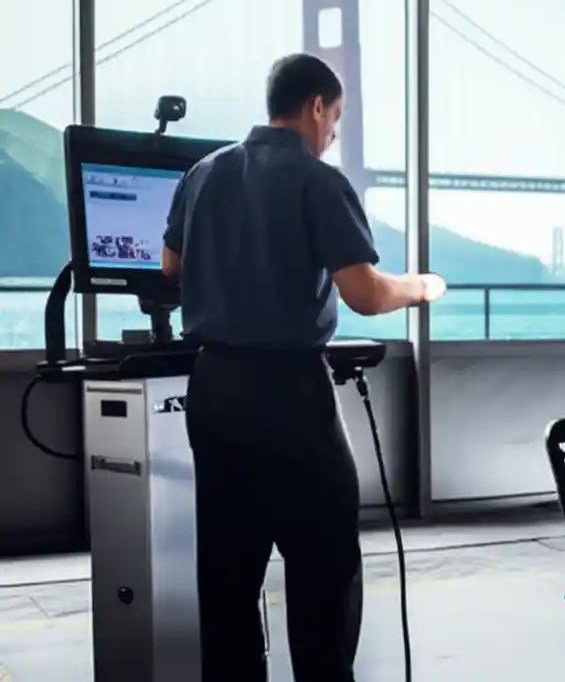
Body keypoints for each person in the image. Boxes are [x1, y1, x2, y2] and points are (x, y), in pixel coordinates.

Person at [160, 52, 445, 682]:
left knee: (228, 571)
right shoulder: (316, 180)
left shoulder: (202, 173)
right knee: (323, 568)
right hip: (290, 397)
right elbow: (365, 294)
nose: (334, 132)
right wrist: (421, 287)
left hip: (213, 391)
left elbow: (169, 270)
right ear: (317, 106)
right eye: (335, 118)